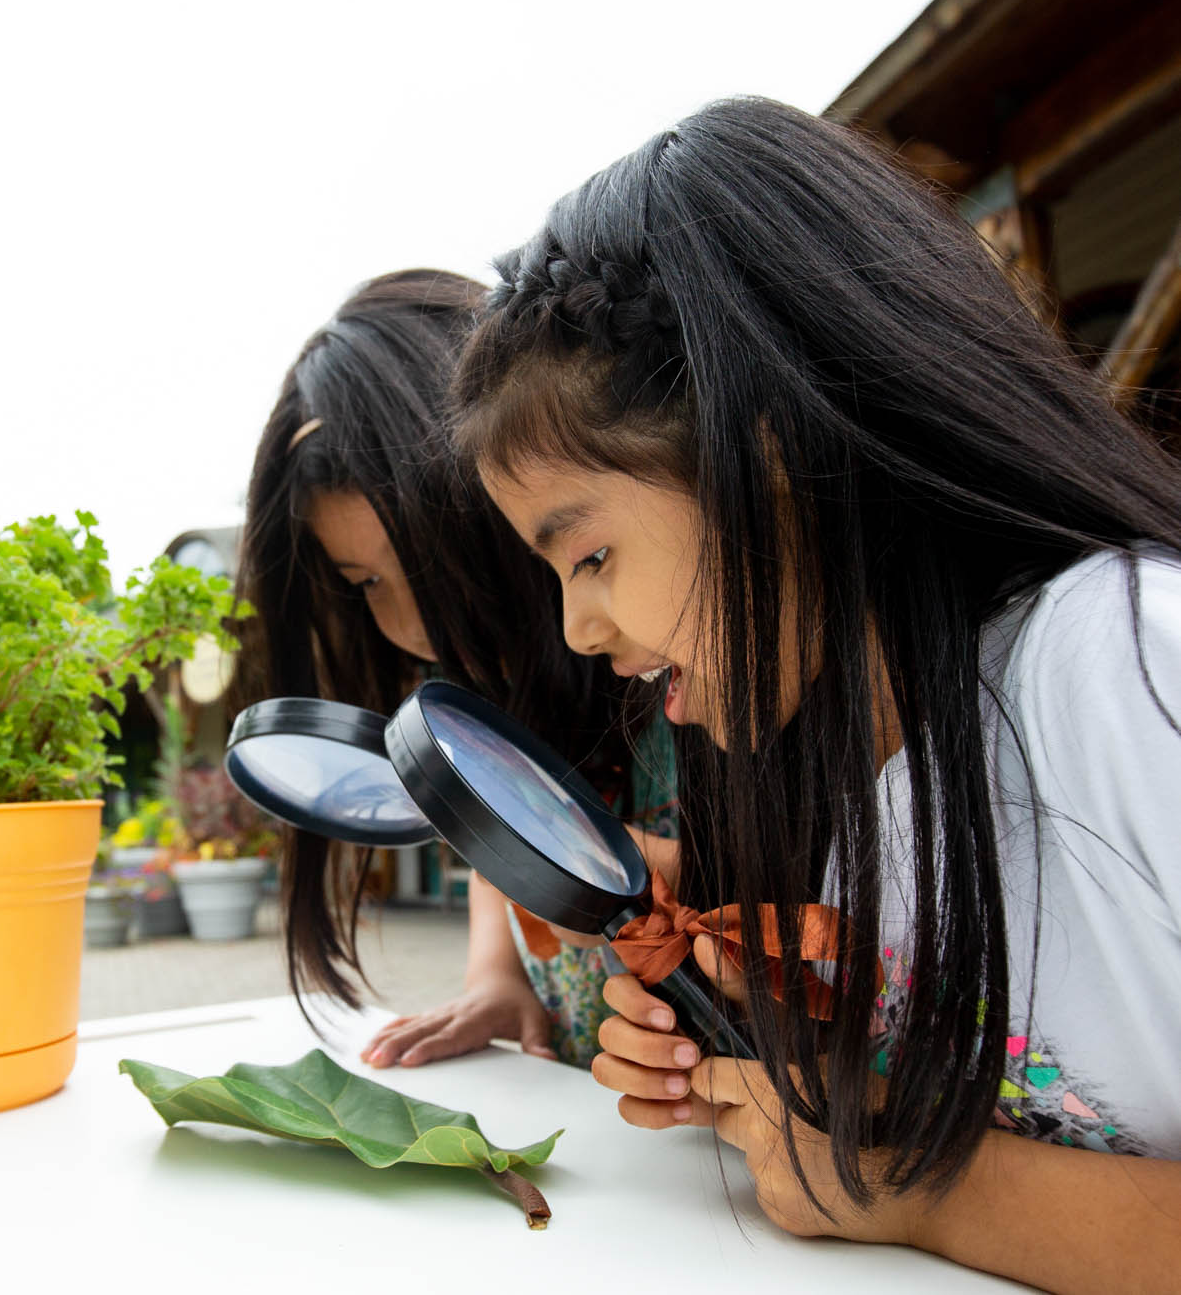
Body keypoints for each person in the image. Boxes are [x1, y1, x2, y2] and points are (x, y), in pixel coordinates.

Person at [450, 96, 1181, 1290]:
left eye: (589, 556)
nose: (580, 630)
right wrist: (789, 1082)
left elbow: (946, 1186)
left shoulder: (1128, 661)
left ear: (772, 455)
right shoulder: (860, 796)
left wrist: (912, 1186)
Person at [229, 272, 676, 1070]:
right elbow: (494, 847)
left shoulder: (672, 665)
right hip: (580, 1106)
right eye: (367, 583)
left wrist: (639, 875)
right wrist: (495, 976)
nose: (413, 625)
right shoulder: (479, 692)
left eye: (429, 567)